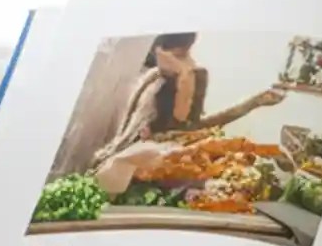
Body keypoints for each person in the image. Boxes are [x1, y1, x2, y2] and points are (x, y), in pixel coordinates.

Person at [91, 32, 286, 169]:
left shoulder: (195, 75)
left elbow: (188, 126)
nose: (188, 61)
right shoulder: (150, 78)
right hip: (129, 163)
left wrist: (252, 103)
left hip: (168, 165)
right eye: (179, 55)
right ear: (157, 52)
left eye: (185, 54)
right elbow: (128, 135)